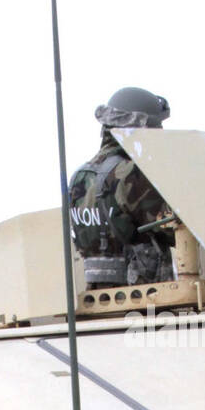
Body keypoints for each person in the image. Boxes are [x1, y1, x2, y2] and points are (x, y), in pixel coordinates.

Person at [69, 86, 178, 286]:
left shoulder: (79, 176)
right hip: (144, 295)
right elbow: (174, 231)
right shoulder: (131, 173)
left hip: (98, 295)